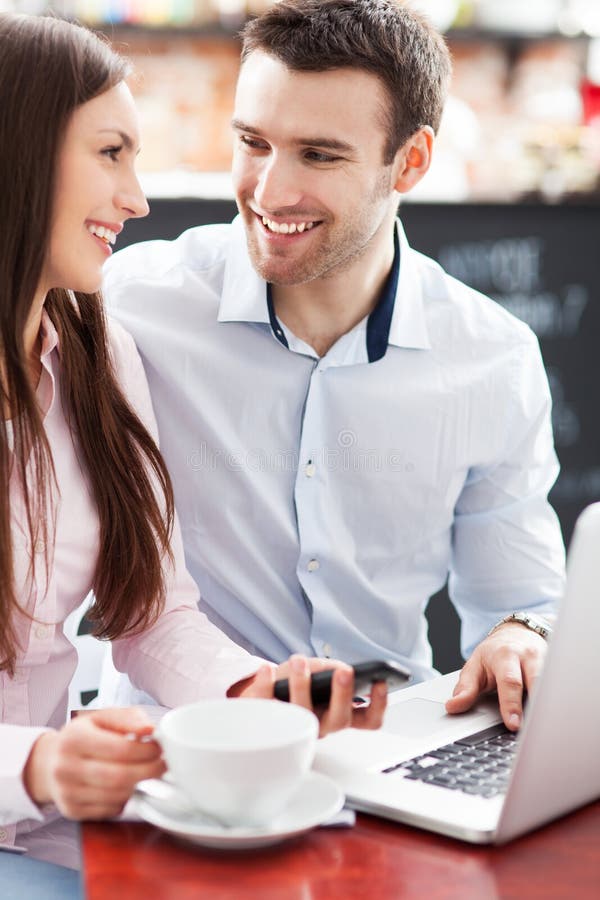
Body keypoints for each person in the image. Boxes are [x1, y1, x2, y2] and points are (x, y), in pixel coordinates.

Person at [103, 0, 565, 734]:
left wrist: (520, 635)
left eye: (319, 155)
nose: (270, 191)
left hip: (390, 738)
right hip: (180, 746)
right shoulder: (129, 306)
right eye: (253, 142)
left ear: (410, 161)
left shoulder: (493, 358)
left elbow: (521, 599)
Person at [0, 12, 385, 870]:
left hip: (60, 837)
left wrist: (252, 690)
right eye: (110, 153)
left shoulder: (99, 351)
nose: (136, 198)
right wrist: (34, 764)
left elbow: (154, 614)